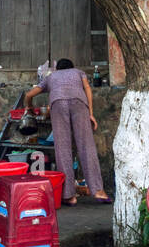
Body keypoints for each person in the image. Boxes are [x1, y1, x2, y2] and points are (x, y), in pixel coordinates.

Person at [22, 58, 111, 206]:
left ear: (58, 69)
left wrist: (29, 108)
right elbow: (87, 88)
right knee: (86, 146)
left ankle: (69, 195)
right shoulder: (79, 72)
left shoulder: (50, 77)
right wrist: (91, 113)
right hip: (79, 103)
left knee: (63, 148)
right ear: (72, 67)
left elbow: (28, 95)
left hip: (58, 104)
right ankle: (98, 191)